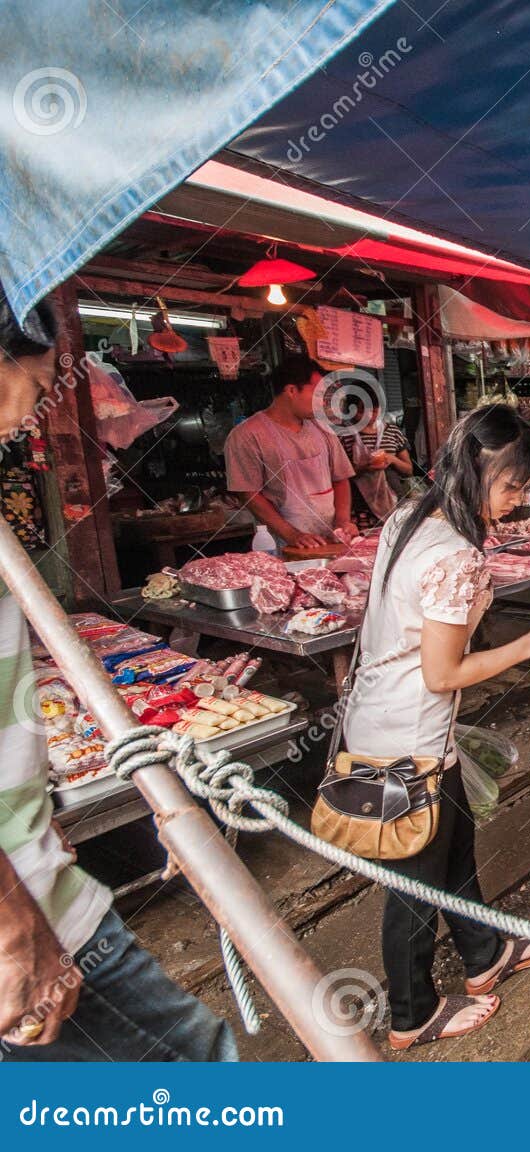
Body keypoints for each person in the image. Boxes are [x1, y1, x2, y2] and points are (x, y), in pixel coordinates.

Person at [0, 300, 235, 1062]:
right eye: (38, 387)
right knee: (196, 1070)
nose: (37, 414)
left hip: (34, 879)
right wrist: (14, 931)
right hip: (33, 919)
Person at [342, 405, 530, 1051]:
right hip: (408, 736)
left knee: (452, 846)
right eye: (511, 487)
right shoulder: (454, 554)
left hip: (388, 719)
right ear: (477, 469)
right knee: (414, 882)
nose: (517, 502)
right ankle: (411, 1013)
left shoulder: (410, 514)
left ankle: (485, 953)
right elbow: (444, 672)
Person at [225, 354, 356, 548]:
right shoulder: (247, 435)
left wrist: (343, 521)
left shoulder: (323, 428)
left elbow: (341, 478)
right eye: (318, 394)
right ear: (292, 390)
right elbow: (249, 494)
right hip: (282, 544)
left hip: (330, 539)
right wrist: (292, 535)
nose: (323, 401)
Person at [339, 406, 413, 526]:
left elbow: (408, 470)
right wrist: (364, 467)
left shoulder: (392, 432)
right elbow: (340, 475)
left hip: (394, 501)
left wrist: (392, 459)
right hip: (361, 507)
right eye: (362, 411)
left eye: (374, 410)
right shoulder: (344, 436)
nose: (369, 415)